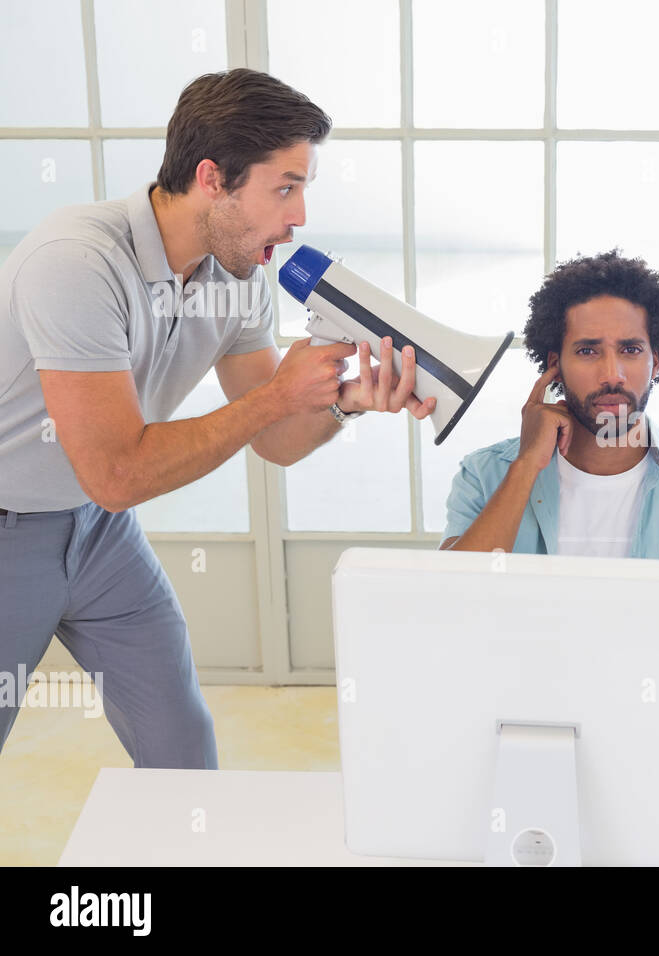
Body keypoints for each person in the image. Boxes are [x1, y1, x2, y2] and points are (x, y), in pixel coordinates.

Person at [0, 69, 436, 768]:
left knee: (182, 745)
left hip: (99, 534)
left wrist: (342, 400)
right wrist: (276, 396)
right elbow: (117, 471)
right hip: (12, 527)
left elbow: (276, 442)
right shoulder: (76, 263)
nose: (298, 218)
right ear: (213, 178)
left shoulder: (235, 281)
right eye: (285, 187)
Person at [440, 250, 659, 783]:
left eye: (631, 350)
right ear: (554, 366)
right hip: (518, 730)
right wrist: (527, 465)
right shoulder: (486, 474)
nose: (612, 374)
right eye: (588, 351)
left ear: (656, 361)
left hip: (656, 734)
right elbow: (450, 602)